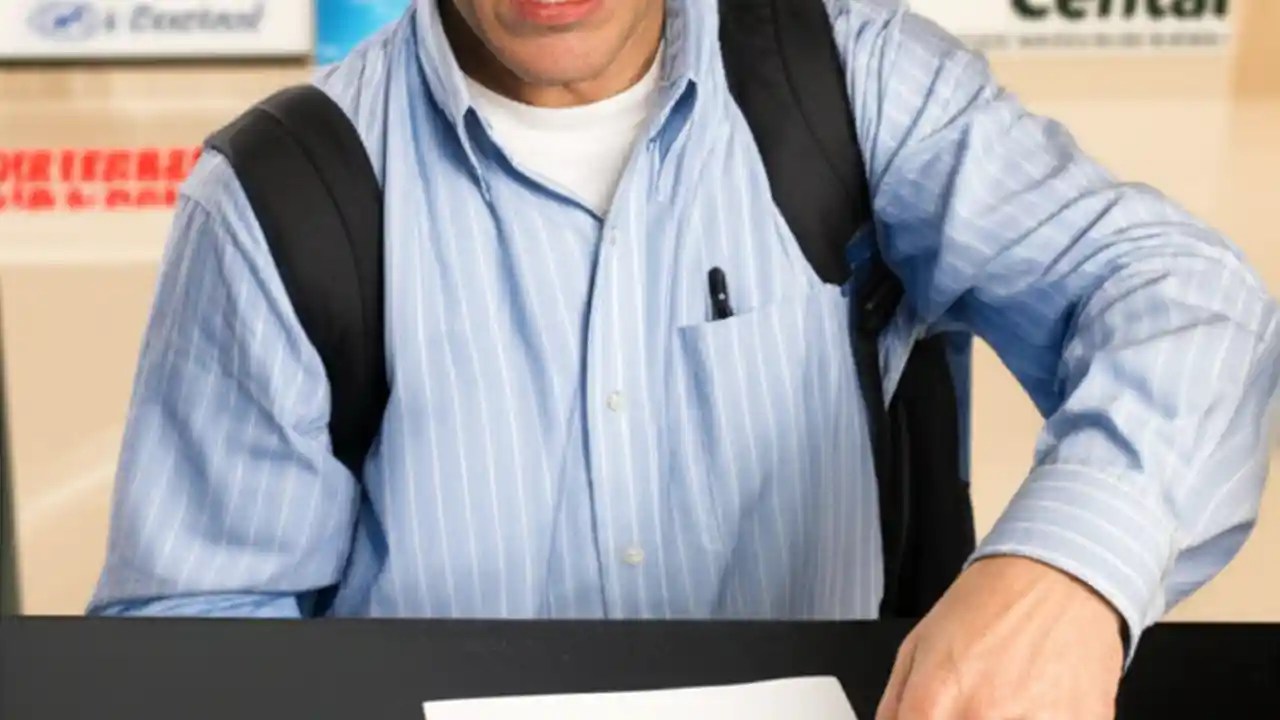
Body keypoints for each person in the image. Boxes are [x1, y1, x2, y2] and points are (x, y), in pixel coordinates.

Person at [90, 0, 1278, 716]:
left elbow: (1183, 299)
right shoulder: (272, 203)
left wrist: (1067, 575)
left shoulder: (853, 84)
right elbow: (198, 656)